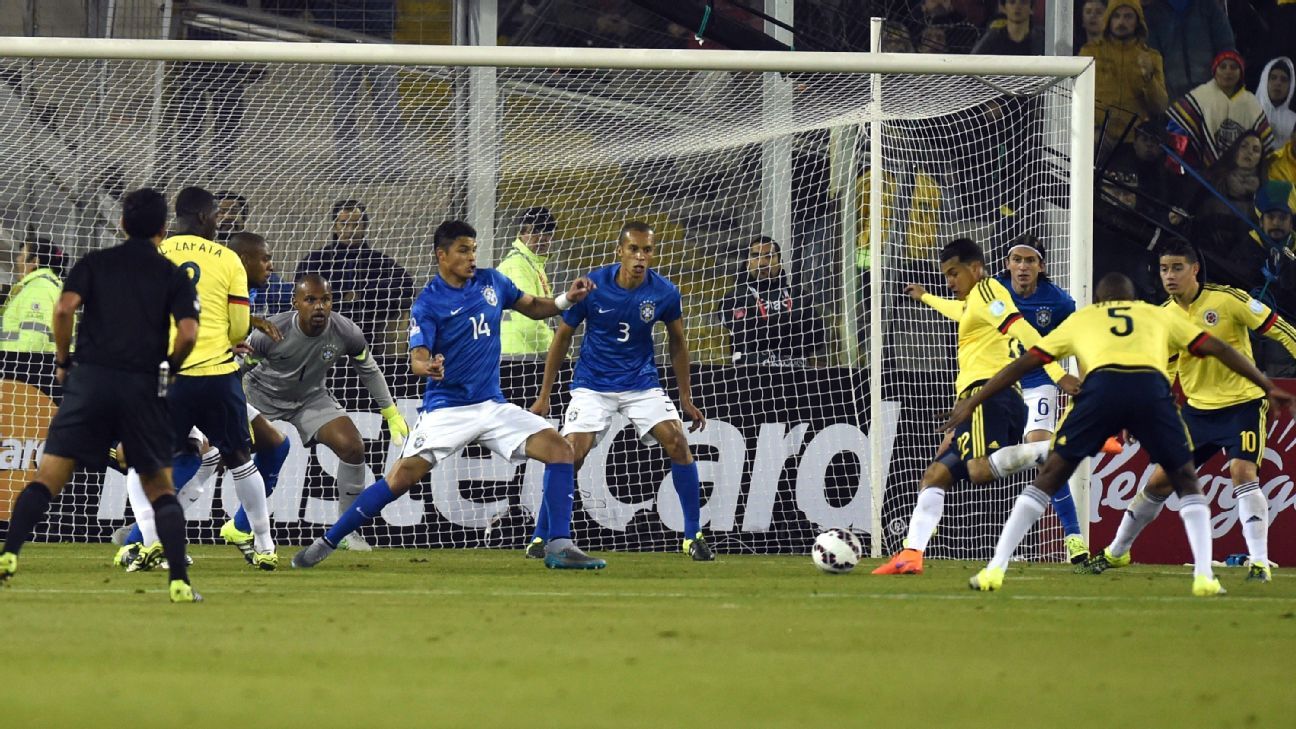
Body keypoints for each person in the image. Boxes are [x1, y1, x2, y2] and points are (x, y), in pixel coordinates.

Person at [950, 273, 1296, 595]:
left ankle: (995, 569)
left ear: (1100, 302)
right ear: (1133, 299)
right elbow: (1220, 348)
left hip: (1101, 390)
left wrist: (974, 401)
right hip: (1150, 389)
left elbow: (1026, 362)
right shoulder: (1157, 314)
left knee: (1050, 476)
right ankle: (1205, 575)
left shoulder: (1084, 318)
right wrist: (1267, 385)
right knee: (1186, 479)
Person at [292, 220, 606, 570]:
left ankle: (559, 545)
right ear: (442, 255)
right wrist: (428, 367)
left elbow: (533, 306)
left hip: (491, 405)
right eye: (463, 250)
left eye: (473, 249)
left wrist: (566, 299)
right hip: (448, 410)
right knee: (399, 479)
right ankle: (328, 540)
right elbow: (417, 357)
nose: (472, 257)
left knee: (561, 450)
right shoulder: (429, 303)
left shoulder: (492, 282)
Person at [0, 188, 202, 602]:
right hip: (143, 386)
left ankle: (8, 555)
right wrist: (171, 367)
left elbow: (63, 309)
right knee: (160, 487)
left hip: (90, 382)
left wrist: (61, 359)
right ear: (163, 230)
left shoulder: (93, 263)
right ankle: (179, 581)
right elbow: (188, 332)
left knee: (48, 477)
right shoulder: (172, 275)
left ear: (124, 224)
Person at [1079, 241, 1296, 582]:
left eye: (1177, 268)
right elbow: (1162, 369)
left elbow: (1281, 330)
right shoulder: (1163, 316)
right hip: (1197, 412)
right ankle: (1117, 552)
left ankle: (1258, 562)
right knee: (1160, 481)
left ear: (1195, 269)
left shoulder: (1228, 300)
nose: (1170, 276)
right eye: (1164, 269)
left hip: (1243, 404)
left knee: (1241, 472)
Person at [872, 238, 1080, 576]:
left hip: (988, 396)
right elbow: (960, 311)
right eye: (946, 275)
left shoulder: (988, 292)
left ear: (975, 268)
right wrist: (925, 296)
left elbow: (1024, 331)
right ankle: (911, 554)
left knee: (979, 471)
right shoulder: (974, 302)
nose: (949, 282)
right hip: (985, 398)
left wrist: (1058, 375)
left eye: (954, 273)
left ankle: (1054, 448)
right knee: (935, 475)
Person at [529, 221, 711, 561]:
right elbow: (562, 338)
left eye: (647, 250)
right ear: (620, 252)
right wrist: (544, 395)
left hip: (640, 383)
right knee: (570, 453)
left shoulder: (665, 293)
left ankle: (693, 535)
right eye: (633, 249)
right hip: (593, 384)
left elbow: (678, 343)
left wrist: (685, 397)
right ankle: (542, 536)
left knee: (677, 441)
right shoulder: (592, 286)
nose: (640, 257)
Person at [239, 273, 409, 550]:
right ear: (296, 302)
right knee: (221, 452)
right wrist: (235, 409)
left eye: (325, 300)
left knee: (353, 447)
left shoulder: (346, 332)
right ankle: (173, 524)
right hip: (260, 396)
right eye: (311, 300)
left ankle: (346, 531)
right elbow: (238, 371)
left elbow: (369, 370)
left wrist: (390, 412)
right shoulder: (271, 332)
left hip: (310, 398)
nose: (319, 306)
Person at [159, 186, 277, 570]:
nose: (219, 223)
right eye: (216, 217)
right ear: (204, 217)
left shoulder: (154, 253)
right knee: (240, 458)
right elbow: (241, 325)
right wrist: (226, 339)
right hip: (217, 373)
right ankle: (264, 544)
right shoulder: (227, 259)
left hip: (168, 375)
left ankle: (156, 544)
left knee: (164, 460)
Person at [992, 236, 1091, 563]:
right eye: (1017, 260)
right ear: (1008, 264)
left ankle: (1074, 538)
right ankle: (923, 525)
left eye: (1030, 261)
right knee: (956, 448)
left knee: (1044, 458)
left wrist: (1087, 380)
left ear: (1041, 267)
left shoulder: (1060, 302)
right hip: (997, 383)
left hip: (1040, 383)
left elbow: (1078, 344)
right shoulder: (992, 292)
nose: (1022, 267)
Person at [294, 199, 415, 351]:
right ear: (335, 227)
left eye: (356, 224)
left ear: (364, 227)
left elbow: (406, 285)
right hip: (324, 327)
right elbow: (300, 289)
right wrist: (339, 296)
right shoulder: (316, 260)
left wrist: (363, 294)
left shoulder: (378, 261)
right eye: (344, 224)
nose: (350, 230)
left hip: (368, 328)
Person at [718, 236, 825, 367]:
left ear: (779, 262)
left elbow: (817, 338)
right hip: (752, 380)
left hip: (798, 380)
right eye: (756, 257)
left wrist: (765, 327)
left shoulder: (799, 296)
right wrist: (794, 327)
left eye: (769, 256)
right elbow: (752, 338)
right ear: (747, 264)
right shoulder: (734, 299)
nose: (762, 262)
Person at [1168, 50, 1274, 169]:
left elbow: (1264, 144)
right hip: (1205, 172)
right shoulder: (1200, 96)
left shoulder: (1251, 102)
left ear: (1241, 72)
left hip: (1242, 173)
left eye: (1234, 67)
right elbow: (1177, 130)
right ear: (1215, 70)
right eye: (1223, 67)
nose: (1228, 71)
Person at [1080, 0, 1169, 133]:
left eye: (1128, 16)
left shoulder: (1151, 57)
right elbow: (1078, 97)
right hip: (1097, 138)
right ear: (1109, 19)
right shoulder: (1089, 53)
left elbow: (1160, 107)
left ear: (1138, 22)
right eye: (1116, 16)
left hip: (1134, 140)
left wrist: (1149, 78)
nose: (1121, 22)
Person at [1141, 0, 1237, 102]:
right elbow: (1153, 59)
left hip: (1212, 96)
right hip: (1173, 101)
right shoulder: (1153, 14)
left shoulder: (1209, 7)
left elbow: (1226, 48)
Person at [498, 206, 558, 357]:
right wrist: (556, 352)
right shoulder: (517, 265)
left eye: (548, 232)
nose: (543, 238)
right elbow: (529, 323)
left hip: (525, 352)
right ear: (522, 233)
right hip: (517, 355)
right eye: (536, 231)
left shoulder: (533, 265)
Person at [0, 239, 64, 354]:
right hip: (36, 365)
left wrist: (15, 367)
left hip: (21, 366)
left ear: (35, 261)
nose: (17, 259)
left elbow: (33, 338)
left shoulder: (38, 289)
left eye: (21, 255)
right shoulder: (46, 286)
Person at [971, 0, 1043, 55]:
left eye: (1023, 2)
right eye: (1012, 2)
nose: (1017, 7)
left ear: (1032, 9)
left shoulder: (1042, 38)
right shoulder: (993, 38)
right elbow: (972, 63)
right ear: (1003, 8)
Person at [1257, 57, 1295, 147]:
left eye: (1284, 80)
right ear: (1265, 81)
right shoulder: (1248, 112)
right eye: (1273, 78)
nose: (1278, 83)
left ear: (1291, 86)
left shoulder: (1294, 121)